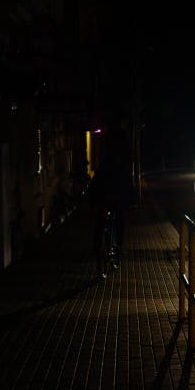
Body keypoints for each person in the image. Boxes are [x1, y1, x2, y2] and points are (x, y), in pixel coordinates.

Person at [87, 115, 134, 279]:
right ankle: (119, 247)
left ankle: (96, 247)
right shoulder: (125, 144)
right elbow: (129, 169)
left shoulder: (105, 144)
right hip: (118, 189)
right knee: (120, 218)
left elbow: (100, 170)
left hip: (105, 189)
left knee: (101, 219)